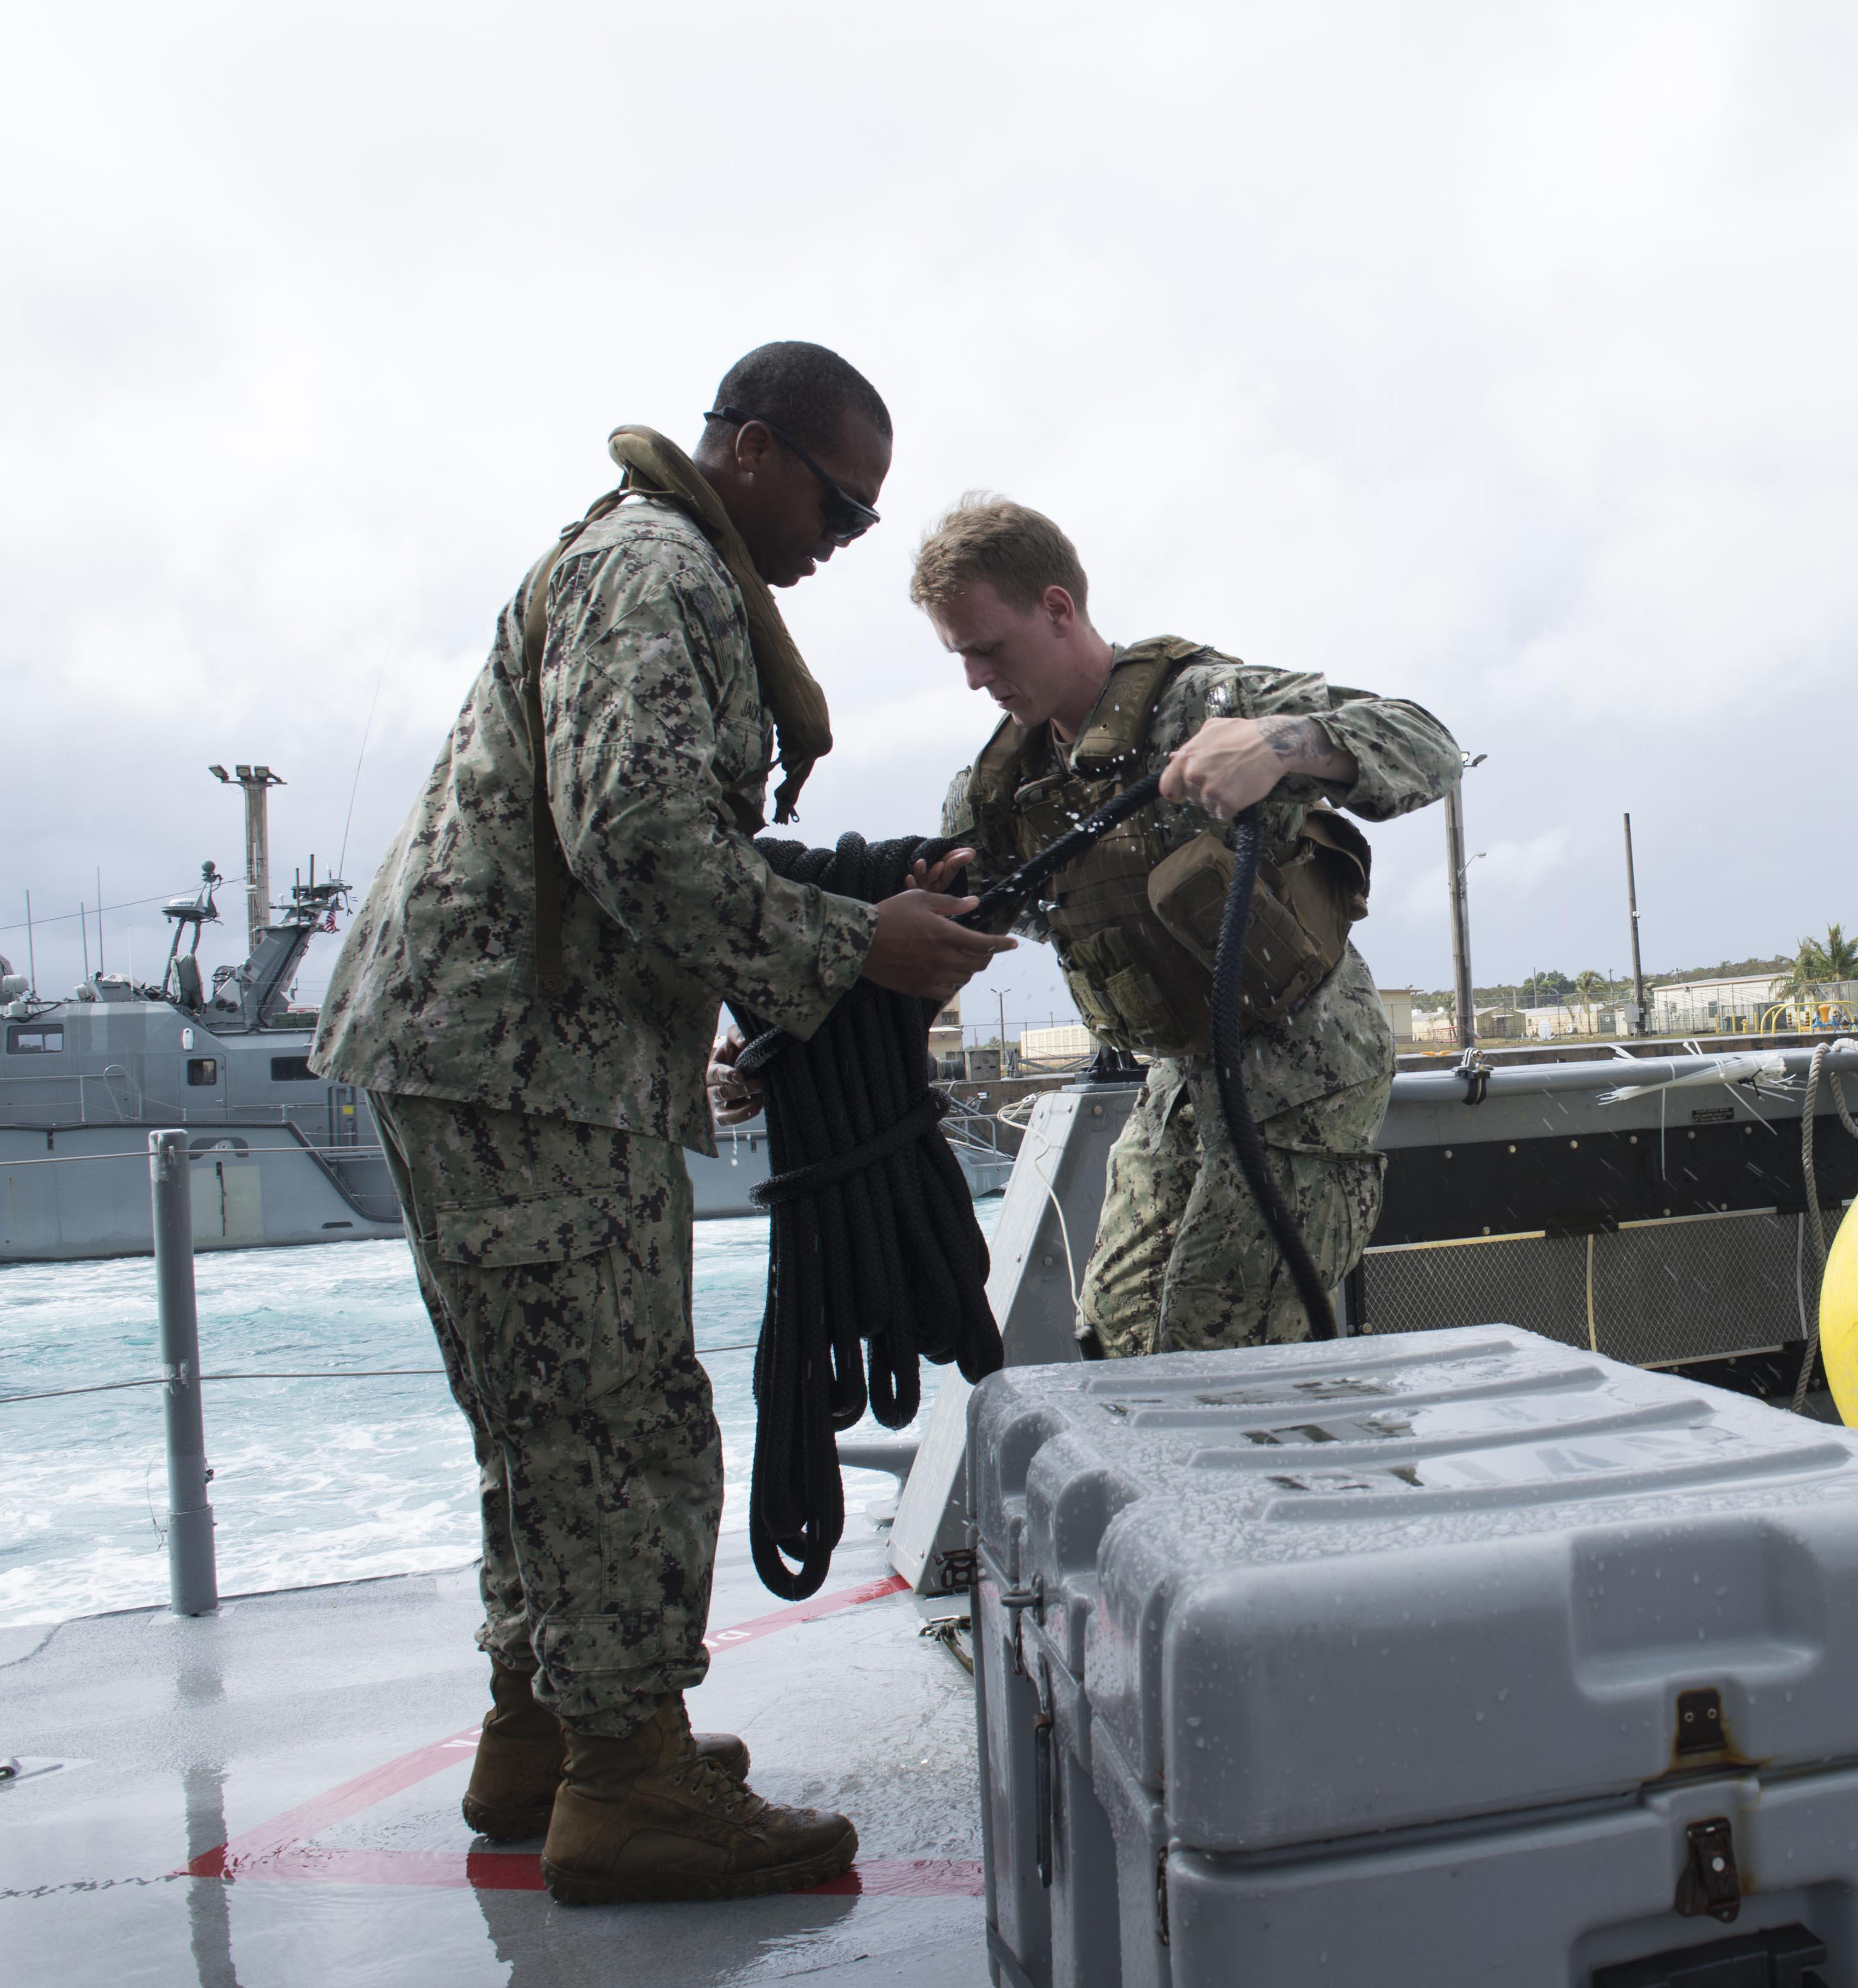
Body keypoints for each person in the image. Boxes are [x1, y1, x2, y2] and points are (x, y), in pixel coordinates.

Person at [313, 342, 1002, 1904]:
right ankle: (627, 1783)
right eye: (837, 502)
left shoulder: (638, 558)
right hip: (519, 1065)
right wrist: (851, 951)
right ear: (750, 450)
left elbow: (614, 852)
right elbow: (632, 830)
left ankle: (544, 1733)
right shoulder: (661, 571)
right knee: (620, 1421)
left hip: (505, 1053)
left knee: (542, 1416)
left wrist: (722, 1027)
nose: (842, 540)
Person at [917, 496, 1460, 1356]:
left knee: (1217, 1350)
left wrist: (1282, 744)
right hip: (1183, 1079)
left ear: (1057, 609)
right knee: (1119, 1333)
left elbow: (1426, 742)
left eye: (988, 648)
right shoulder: (1007, 788)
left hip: (1303, 1069)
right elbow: (947, 916)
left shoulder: (1201, 705)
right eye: (961, 657)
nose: (977, 679)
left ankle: (1328, 1477)